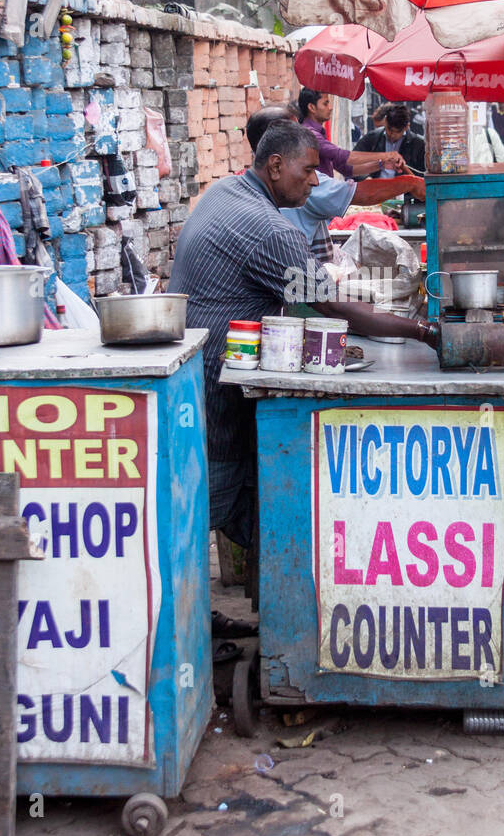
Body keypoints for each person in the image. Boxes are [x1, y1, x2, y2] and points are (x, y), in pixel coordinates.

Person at [168, 120, 438, 549]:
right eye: (308, 170)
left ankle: (258, 597)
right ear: (275, 166)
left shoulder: (224, 190)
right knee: (209, 506)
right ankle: (189, 613)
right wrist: (425, 331)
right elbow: (331, 305)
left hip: (195, 368)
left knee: (235, 503)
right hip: (217, 378)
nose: (315, 182)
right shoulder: (272, 231)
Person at [246, 105, 425, 259]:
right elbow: (359, 188)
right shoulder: (300, 183)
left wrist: (379, 164)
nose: (314, 180)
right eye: (309, 170)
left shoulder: (242, 183)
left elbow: (345, 167)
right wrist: (409, 183)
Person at [298, 88, 402, 179]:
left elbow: (347, 169)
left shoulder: (317, 133)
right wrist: (387, 155)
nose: (330, 107)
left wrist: (381, 164)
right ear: (311, 107)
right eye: (325, 103)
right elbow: (344, 157)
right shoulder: (310, 134)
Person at [352, 103, 426, 174]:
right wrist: (366, 178)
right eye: (389, 130)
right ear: (385, 121)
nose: (392, 135)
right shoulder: (372, 138)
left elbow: (423, 176)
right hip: (373, 184)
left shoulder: (418, 145)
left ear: (406, 127)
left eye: (397, 132)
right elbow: (352, 162)